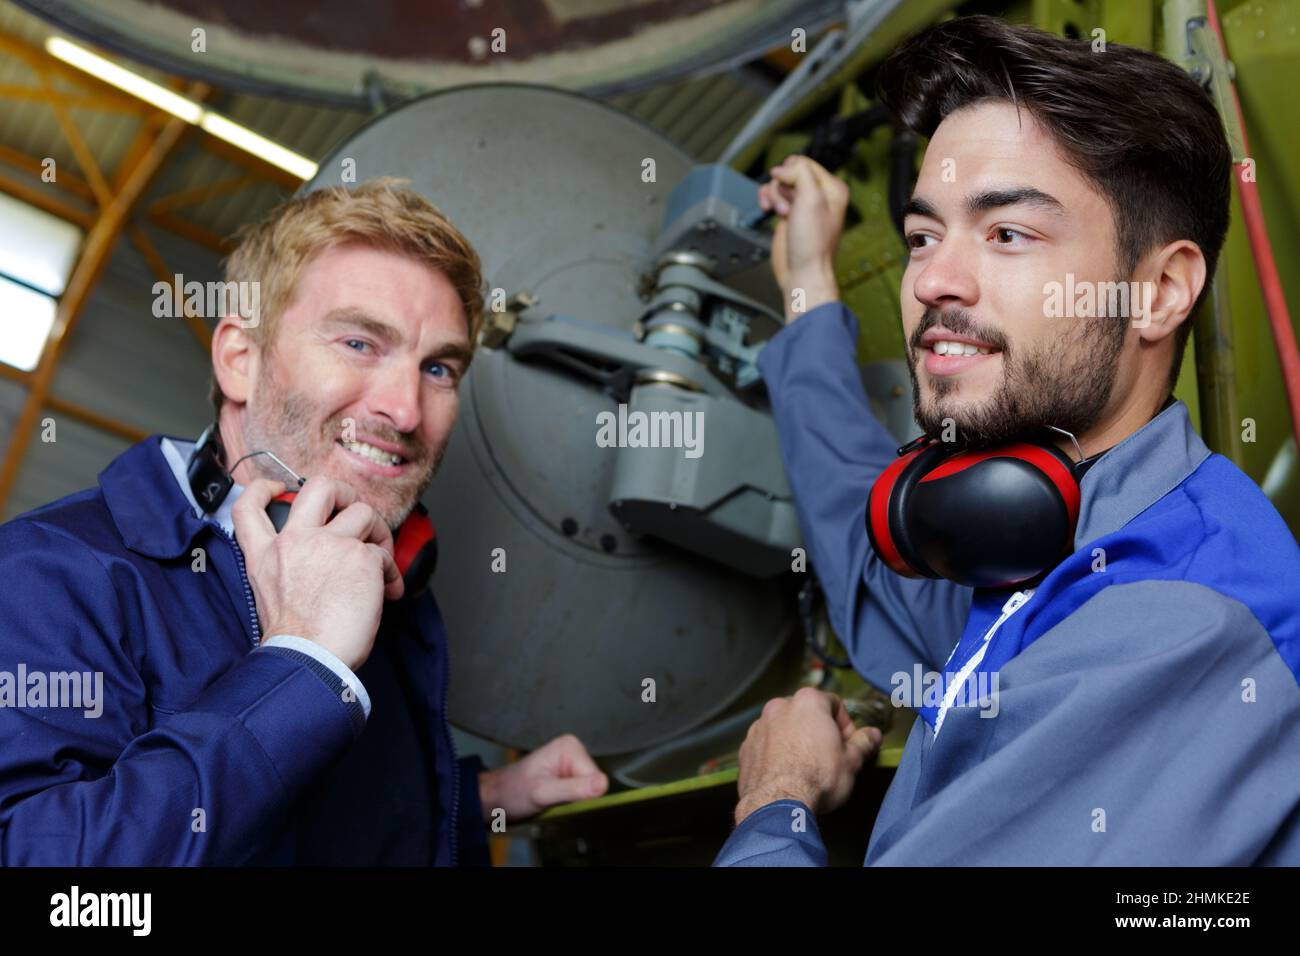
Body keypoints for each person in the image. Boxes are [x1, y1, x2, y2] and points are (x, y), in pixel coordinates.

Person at [715, 15, 1300, 865]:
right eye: (924, 236)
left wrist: (776, 802)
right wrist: (807, 284)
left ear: (1161, 291)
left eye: (1008, 234)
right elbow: (865, 541)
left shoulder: (1173, 627)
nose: (932, 281)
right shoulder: (1043, 538)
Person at [0, 178, 607, 865]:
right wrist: (299, 666)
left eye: (438, 367)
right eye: (358, 343)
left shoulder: (386, 585)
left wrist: (484, 799)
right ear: (240, 359)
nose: (406, 410)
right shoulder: (51, 572)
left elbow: (343, 833)